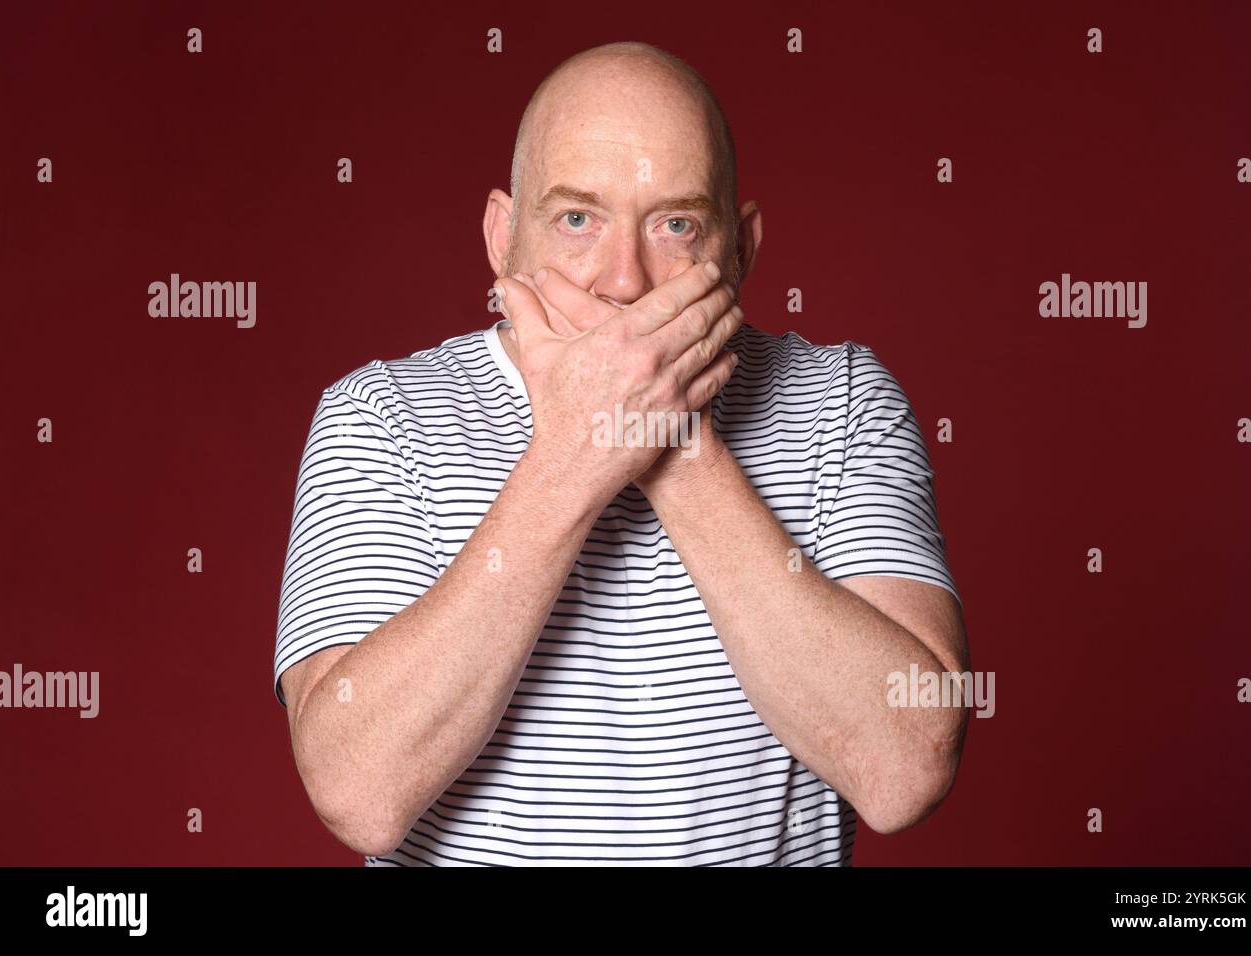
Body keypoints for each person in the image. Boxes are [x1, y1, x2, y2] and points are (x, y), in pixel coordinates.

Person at [272, 41, 969, 866]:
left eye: (677, 224)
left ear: (741, 248)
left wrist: (671, 439)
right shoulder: (379, 415)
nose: (626, 281)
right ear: (502, 237)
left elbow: (905, 768)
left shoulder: (842, 398)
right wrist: (578, 451)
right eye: (576, 219)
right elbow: (359, 792)